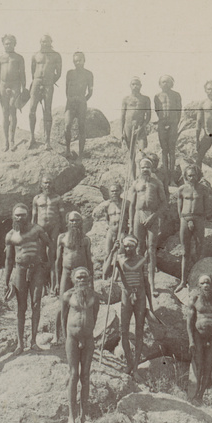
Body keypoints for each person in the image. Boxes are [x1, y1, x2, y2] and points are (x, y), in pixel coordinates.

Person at [4, 204, 51, 353]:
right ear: (13, 216)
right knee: (21, 307)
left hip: (36, 269)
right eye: (17, 215)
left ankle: (33, 342)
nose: (20, 218)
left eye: (22, 215)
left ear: (27, 215)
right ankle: (20, 344)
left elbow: (50, 245)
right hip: (20, 270)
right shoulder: (11, 235)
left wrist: (48, 265)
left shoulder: (37, 230)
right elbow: (9, 259)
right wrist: (6, 280)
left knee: (36, 304)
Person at [61, 266, 100, 423]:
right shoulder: (68, 295)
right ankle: (71, 417)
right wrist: (68, 337)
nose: (82, 280)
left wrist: (87, 334)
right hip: (72, 339)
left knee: (85, 375)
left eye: (84, 277)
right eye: (79, 277)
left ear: (89, 278)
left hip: (88, 339)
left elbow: (95, 316)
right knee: (73, 374)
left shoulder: (94, 296)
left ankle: (84, 417)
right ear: (73, 279)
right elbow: (62, 318)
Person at [111, 234, 154, 378]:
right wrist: (113, 252)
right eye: (126, 245)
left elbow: (146, 282)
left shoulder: (142, 260)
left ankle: (135, 367)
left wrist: (151, 304)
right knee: (123, 330)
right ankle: (129, 363)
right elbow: (106, 271)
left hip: (140, 297)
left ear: (136, 246)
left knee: (139, 331)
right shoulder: (119, 258)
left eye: (131, 245)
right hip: (126, 296)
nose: (128, 248)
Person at [125, 156, 168, 291]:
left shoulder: (157, 183)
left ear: (152, 169)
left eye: (147, 167)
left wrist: (153, 217)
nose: (145, 170)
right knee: (138, 248)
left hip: (152, 216)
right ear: (139, 168)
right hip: (138, 214)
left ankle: (152, 283)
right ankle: (138, 281)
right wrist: (131, 223)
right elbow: (132, 205)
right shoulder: (135, 183)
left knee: (151, 249)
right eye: (143, 167)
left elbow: (164, 203)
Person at [187, 274, 212, 404]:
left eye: (208, 283)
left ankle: (200, 396)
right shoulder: (195, 299)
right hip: (199, 335)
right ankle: (193, 394)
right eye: (203, 283)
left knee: (208, 365)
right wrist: (191, 340)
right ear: (199, 286)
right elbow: (189, 322)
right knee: (199, 364)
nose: (206, 286)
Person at [55, 211, 93, 342]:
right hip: (66, 273)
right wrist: (56, 282)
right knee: (63, 305)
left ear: (81, 222)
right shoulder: (62, 238)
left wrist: (91, 281)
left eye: (77, 220)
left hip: (81, 276)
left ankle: (80, 336)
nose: (74, 223)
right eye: (72, 221)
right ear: (68, 223)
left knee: (81, 304)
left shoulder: (86, 239)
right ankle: (59, 336)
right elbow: (57, 261)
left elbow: (89, 261)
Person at [175, 163, 212, 292]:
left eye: (194, 175)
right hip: (185, 219)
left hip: (199, 219)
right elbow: (179, 210)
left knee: (199, 248)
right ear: (186, 176)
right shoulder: (181, 189)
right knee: (185, 252)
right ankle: (183, 281)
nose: (192, 178)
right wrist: (187, 220)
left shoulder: (203, 189)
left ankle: (199, 279)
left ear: (198, 175)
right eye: (189, 175)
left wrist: (198, 220)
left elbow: (206, 207)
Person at [27, 34, 63, 150]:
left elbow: (59, 73)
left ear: (51, 42)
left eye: (47, 42)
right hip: (37, 82)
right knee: (32, 110)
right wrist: (38, 80)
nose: (45, 44)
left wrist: (50, 81)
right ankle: (32, 137)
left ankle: (47, 140)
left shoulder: (56, 56)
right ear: (40, 42)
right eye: (43, 42)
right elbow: (33, 71)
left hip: (48, 84)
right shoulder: (35, 55)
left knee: (47, 111)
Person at [31, 175, 64, 295]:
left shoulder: (57, 198)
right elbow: (34, 217)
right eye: (45, 183)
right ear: (41, 185)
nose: (47, 185)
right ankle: (42, 286)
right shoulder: (37, 199)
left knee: (53, 257)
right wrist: (32, 232)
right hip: (40, 229)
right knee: (40, 257)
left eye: (49, 183)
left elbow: (61, 217)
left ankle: (54, 286)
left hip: (53, 229)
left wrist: (64, 231)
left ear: (53, 184)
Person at [0, 34, 26, 152]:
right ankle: (5, 141)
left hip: (15, 86)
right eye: (6, 43)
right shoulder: (0, 58)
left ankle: (12, 140)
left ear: (14, 44)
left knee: (13, 112)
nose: (8, 45)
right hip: (3, 86)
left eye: (10, 43)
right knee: (4, 113)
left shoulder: (19, 58)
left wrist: (24, 87)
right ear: (3, 44)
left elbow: (23, 73)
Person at [64, 51, 94, 158]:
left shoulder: (88, 74)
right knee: (67, 125)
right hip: (71, 103)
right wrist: (71, 99)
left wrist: (83, 100)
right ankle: (67, 149)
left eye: (79, 60)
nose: (77, 63)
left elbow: (90, 92)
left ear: (84, 60)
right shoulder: (70, 73)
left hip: (81, 102)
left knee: (82, 127)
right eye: (75, 61)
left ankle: (80, 155)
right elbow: (66, 89)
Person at [154, 75, 182, 185]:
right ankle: (166, 178)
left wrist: (174, 123)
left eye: (168, 82)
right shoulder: (157, 96)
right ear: (159, 84)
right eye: (163, 82)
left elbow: (179, 110)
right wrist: (163, 121)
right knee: (164, 151)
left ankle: (171, 179)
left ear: (172, 83)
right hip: (162, 124)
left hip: (173, 124)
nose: (165, 84)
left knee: (172, 151)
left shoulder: (176, 95)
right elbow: (157, 110)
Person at [121, 77, 151, 177]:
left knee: (142, 153)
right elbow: (122, 116)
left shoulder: (145, 99)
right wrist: (122, 132)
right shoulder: (126, 99)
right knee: (131, 155)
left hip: (140, 128)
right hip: (128, 127)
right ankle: (133, 179)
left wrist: (141, 127)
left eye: (137, 84)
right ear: (130, 86)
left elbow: (148, 116)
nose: (135, 86)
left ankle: (143, 176)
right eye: (133, 84)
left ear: (140, 86)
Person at [92, 182, 124, 272]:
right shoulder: (108, 205)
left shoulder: (125, 204)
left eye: (116, 191)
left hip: (121, 231)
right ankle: (105, 275)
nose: (114, 193)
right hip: (111, 231)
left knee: (120, 254)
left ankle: (118, 276)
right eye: (112, 191)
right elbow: (107, 219)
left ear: (120, 191)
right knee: (107, 253)